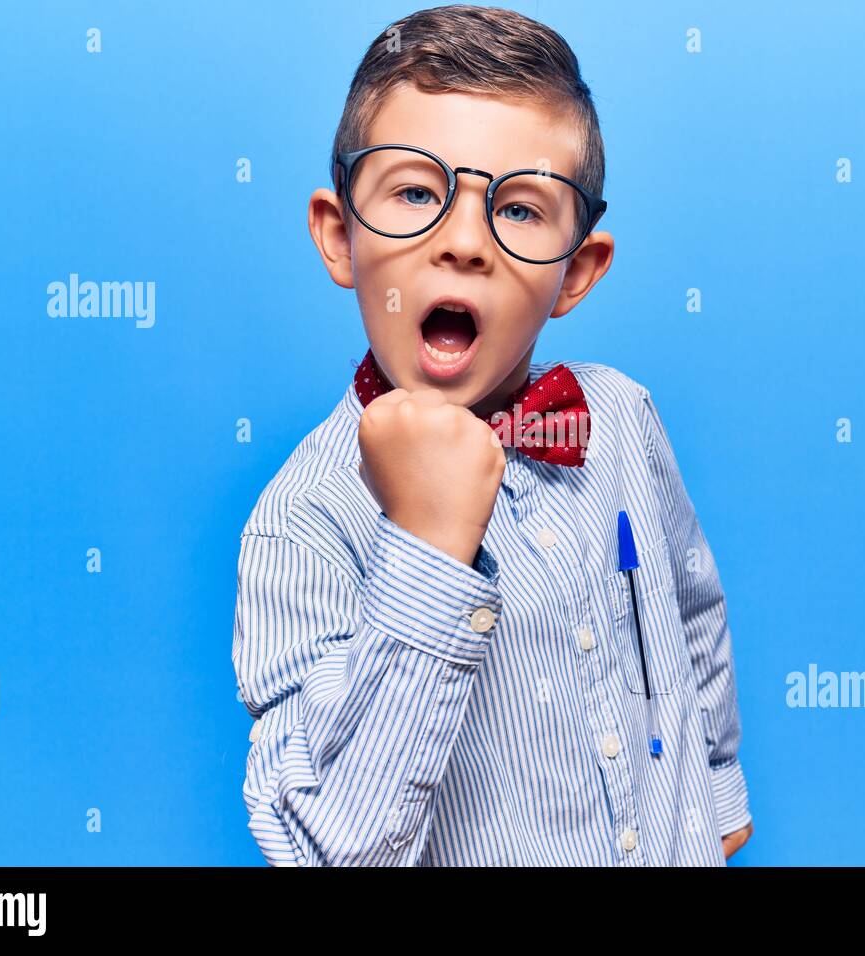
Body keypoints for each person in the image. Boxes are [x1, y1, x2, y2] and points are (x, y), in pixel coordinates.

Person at [232, 3, 753, 865]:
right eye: (414, 192)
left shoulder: (620, 418)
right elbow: (331, 848)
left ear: (576, 272)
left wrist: (720, 787)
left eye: (518, 209)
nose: (465, 242)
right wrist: (429, 549)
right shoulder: (303, 522)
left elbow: (692, 606)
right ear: (339, 238)